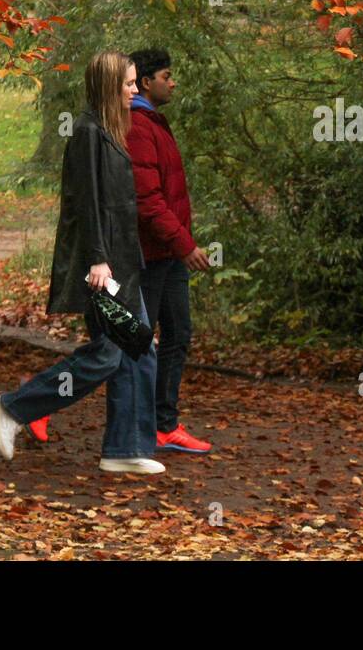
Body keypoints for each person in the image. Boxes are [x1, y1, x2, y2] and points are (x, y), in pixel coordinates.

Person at [0, 49, 164, 475]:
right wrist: (98, 261)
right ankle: (14, 407)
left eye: (136, 81)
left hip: (124, 261)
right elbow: (86, 204)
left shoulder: (110, 130)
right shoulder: (88, 133)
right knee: (108, 354)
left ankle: (124, 450)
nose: (135, 89)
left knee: (139, 352)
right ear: (108, 86)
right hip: (104, 266)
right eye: (127, 83)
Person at [127, 47, 212, 454]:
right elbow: (148, 201)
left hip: (169, 253)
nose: (173, 81)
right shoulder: (139, 127)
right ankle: (39, 401)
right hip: (152, 254)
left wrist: (180, 246)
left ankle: (164, 425)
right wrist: (186, 244)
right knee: (126, 342)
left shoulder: (155, 123)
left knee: (177, 334)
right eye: (166, 75)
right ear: (147, 82)